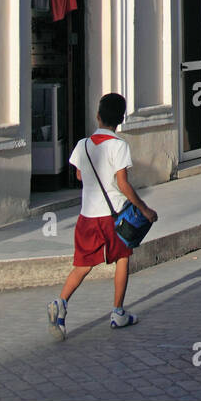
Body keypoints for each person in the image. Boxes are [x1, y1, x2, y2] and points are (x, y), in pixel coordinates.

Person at [47, 92, 157, 340]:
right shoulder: (119, 146)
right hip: (113, 216)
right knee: (122, 259)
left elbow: (78, 176)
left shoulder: (82, 145)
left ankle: (61, 303)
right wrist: (143, 208)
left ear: (97, 117)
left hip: (87, 216)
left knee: (82, 265)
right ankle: (118, 312)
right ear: (121, 119)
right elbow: (123, 184)